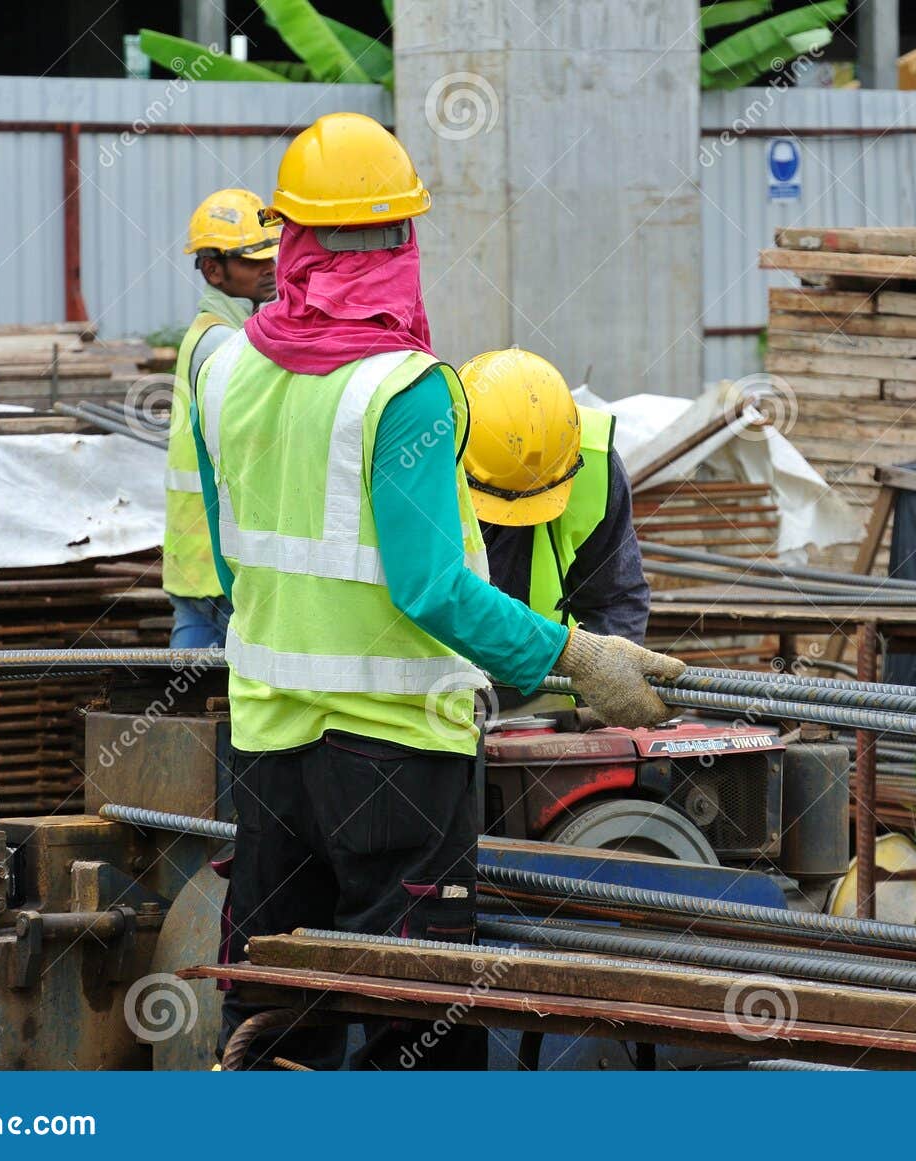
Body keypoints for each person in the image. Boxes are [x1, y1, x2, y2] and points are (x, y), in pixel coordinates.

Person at [190, 112, 686, 1070]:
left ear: (286, 235)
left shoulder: (222, 368)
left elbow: (227, 559)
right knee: (412, 1032)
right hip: (397, 765)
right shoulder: (404, 387)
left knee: (275, 1022)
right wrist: (578, 655)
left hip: (266, 752)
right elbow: (428, 588)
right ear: (405, 238)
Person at [461, 348, 650, 644]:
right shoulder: (424, 453)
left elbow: (613, 599)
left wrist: (602, 670)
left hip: (552, 680)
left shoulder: (596, 463)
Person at [163, 188, 279, 648]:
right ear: (214, 269)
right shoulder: (222, 346)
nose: (270, 268)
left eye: (273, 255)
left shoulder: (215, 334)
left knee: (186, 695)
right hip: (219, 553)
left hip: (196, 554)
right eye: (254, 260)